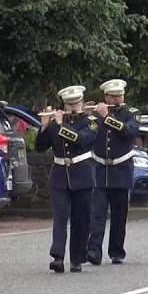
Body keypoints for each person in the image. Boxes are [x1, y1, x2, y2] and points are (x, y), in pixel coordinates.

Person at [37, 85, 97, 273]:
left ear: (81, 102)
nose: (72, 107)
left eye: (75, 103)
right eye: (68, 103)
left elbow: (81, 140)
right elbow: (40, 147)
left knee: (81, 218)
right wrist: (45, 126)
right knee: (60, 216)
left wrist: (61, 125)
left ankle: (77, 257)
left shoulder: (91, 122)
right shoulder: (56, 122)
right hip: (60, 174)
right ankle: (58, 256)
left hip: (82, 173)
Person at [87, 79, 140, 266]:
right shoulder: (95, 115)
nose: (116, 99)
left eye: (119, 96)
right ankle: (93, 250)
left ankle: (117, 251)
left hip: (121, 168)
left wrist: (107, 116)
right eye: (112, 96)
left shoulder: (131, 113)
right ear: (106, 96)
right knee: (97, 212)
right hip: (100, 168)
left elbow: (128, 132)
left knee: (119, 213)